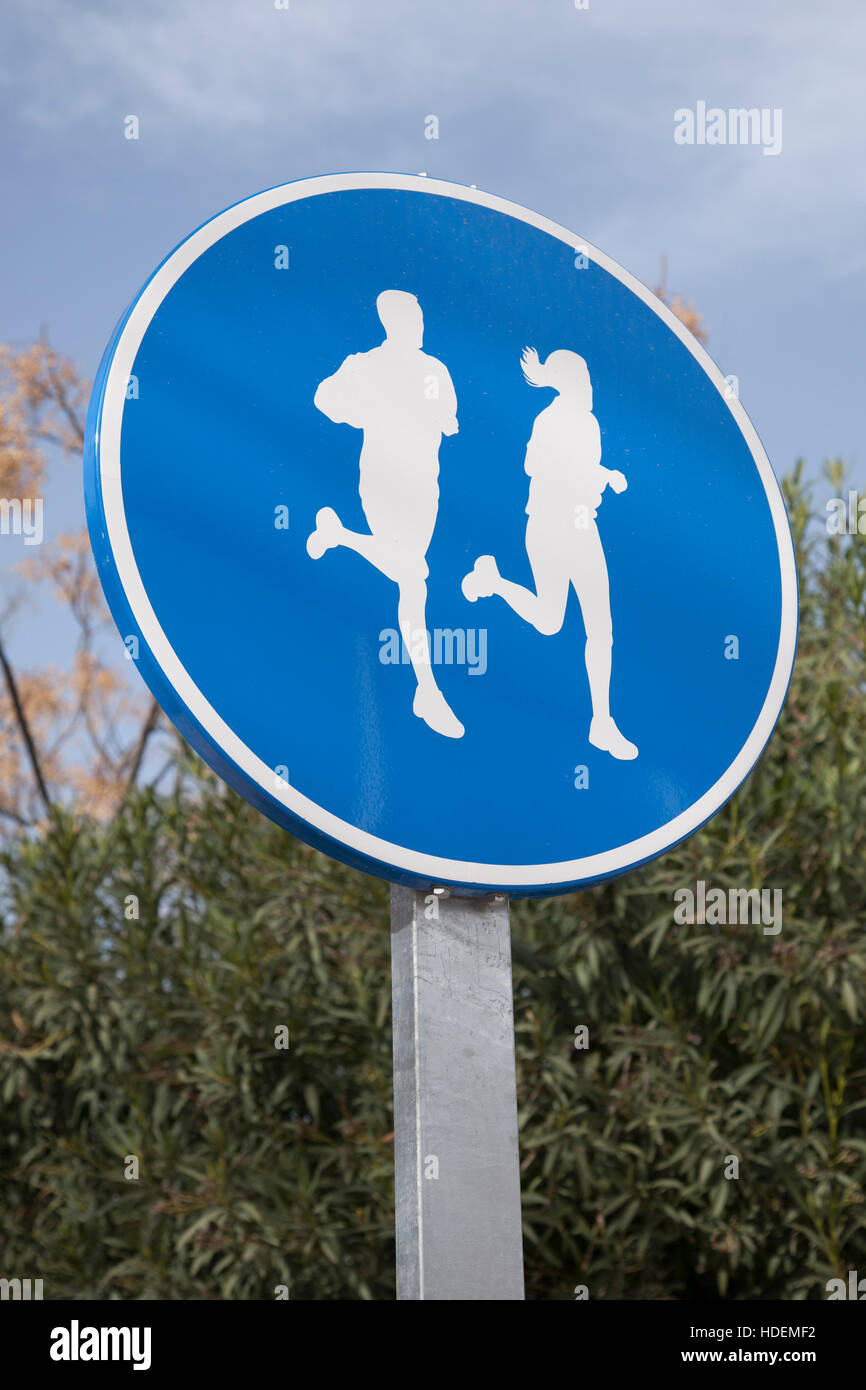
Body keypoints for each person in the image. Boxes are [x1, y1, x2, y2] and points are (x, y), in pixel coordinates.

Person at [462, 346, 638, 760]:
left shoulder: (591, 424)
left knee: (602, 629)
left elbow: (582, 470)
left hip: (583, 528)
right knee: (548, 621)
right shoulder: (549, 420)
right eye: (585, 380)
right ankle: (494, 582)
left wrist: (604, 475)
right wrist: (593, 476)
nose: (592, 387)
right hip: (547, 526)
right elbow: (536, 467)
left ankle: (602, 723)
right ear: (571, 383)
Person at [308, 289, 463, 738]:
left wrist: (434, 416)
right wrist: (365, 409)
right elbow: (325, 398)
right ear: (393, 321)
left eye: (420, 316)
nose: (419, 324)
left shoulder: (434, 369)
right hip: (382, 480)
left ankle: (340, 535)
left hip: (424, 486)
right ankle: (428, 690)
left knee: (412, 581)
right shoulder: (366, 364)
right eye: (413, 316)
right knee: (414, 574)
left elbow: (449, 418)